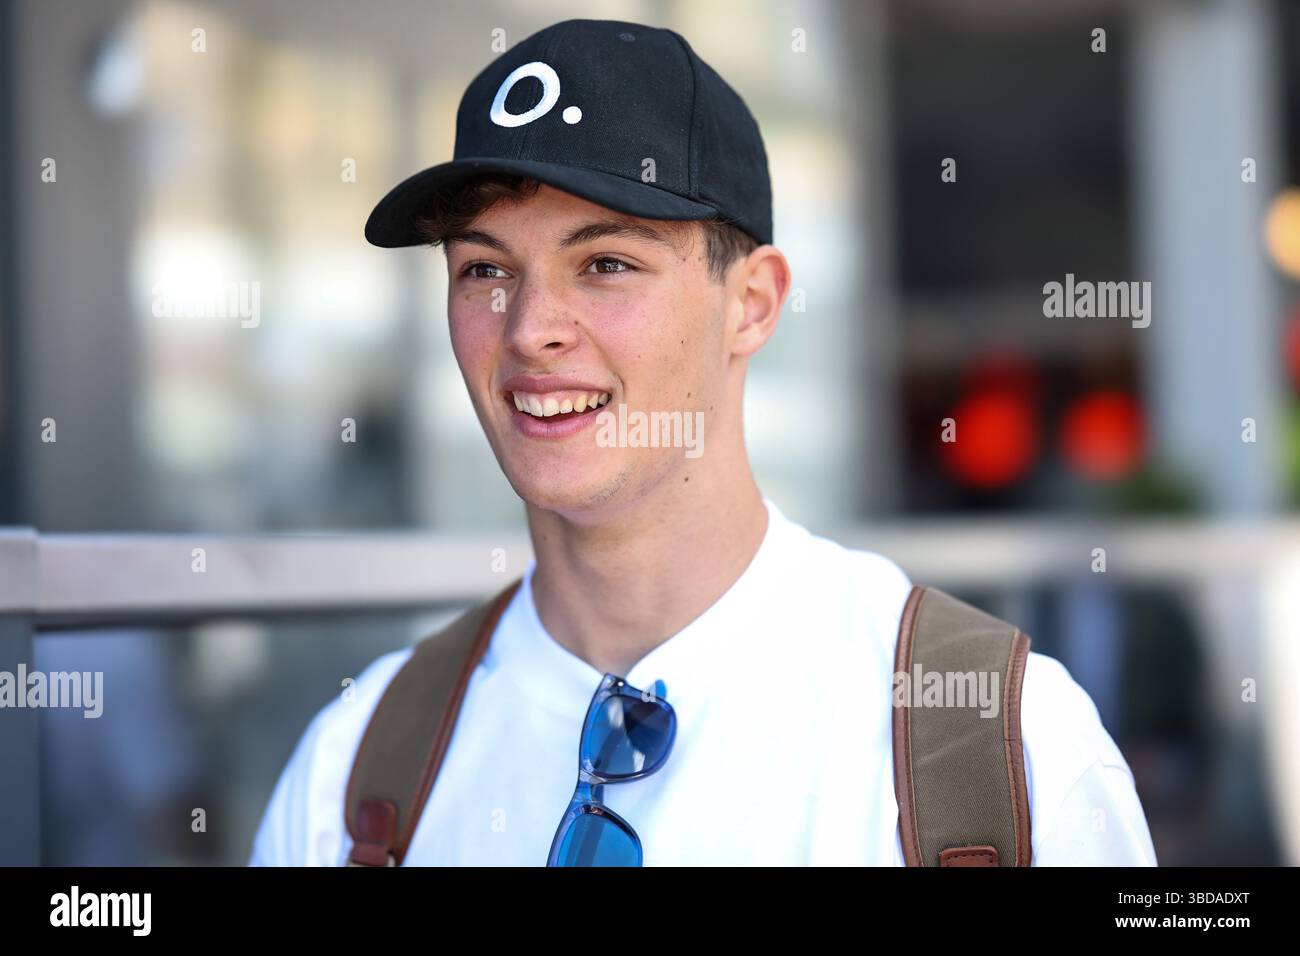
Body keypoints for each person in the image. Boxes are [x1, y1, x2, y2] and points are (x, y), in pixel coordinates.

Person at [250, 18, 1157, 866]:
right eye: (485, 269)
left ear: (751, 304)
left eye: (606, 262)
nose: (530, 328)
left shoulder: (992, 748)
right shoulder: (357, 769)